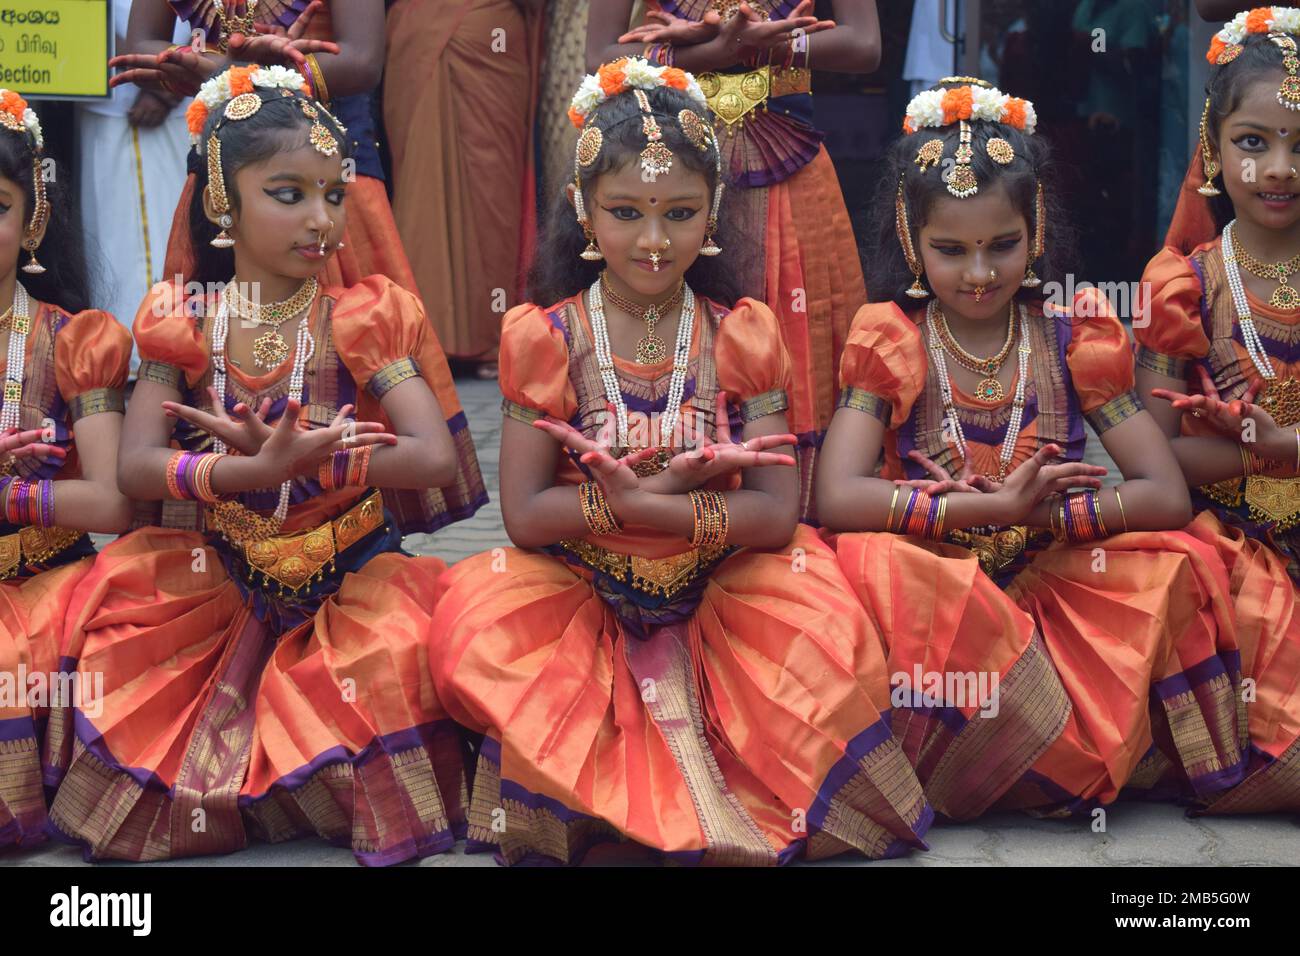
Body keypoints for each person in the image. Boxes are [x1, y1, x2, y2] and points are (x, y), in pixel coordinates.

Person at [427, 60, 932, 865]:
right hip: (576, 590)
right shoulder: (544, 336)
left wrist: (657, 506)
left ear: (715, 213)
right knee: (476, 637)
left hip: (723, 586)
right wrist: (647, 499)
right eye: (625, 212)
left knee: (829, 633)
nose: (655, 241)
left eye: (680, 213)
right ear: (581, 212)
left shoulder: (744, 330)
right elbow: (524, 516)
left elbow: (774, 515)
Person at [44, 67, 485, 863]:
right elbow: (138, 468)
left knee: (391, 665)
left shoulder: (363, 317)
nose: (322, 220)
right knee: (115, 649)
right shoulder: (182, 322)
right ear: (223, 204)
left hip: (352, 573)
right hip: (217, 574)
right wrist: (240, 475)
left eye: (335, 193)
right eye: (289, 194)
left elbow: (431, 457)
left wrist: (317, 451)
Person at [815, 80, 1239, 819]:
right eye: (951, 250)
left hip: (1049, 566)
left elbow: (1163, 493)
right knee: (868, 567)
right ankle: (971, 758)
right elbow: (837, 496)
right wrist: (963, 514)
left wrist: (1040, 519)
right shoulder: (889, 334)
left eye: (1001, 246)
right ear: (911, 239)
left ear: (1036, 227)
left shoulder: (1075, 331)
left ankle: (1024, 756)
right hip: (933, 576)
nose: (979, 275)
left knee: (1180, 561)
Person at [587, 1, 881, 521]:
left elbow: (864, 46)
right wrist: (721, 48)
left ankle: (791, 516)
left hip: (789, 169)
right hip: (671, 168)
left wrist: (745, 44)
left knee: (791, 340)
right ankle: (661, 504)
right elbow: (600, 56)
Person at [1136, 12, 1300, 812]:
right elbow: (1155, 460)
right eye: (1254, 141)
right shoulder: (1184, 284)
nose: (1278, 169)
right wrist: (1260, 454)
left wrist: (1282, 447)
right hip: (1228, 545)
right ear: (1211, 145)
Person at [0, 91, 133, 848]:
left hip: (50, 585)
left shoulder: (74, 341)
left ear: (32, 225)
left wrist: (10, 493)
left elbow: (112, 500)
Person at [113, 1, 421, 304]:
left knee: (345, 332)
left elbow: (362, 60)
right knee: (209, 323)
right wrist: (221, 69)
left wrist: (241, 75)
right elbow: (140, 45)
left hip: (324, 160)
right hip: (228, 155)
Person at [383, 0, 542, 377]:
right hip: (449, 30)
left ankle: (431, 338)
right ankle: (464, 338)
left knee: (491, 183)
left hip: (466, 31)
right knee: (451, 179)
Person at [76, 0, 192, 367]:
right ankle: (120, 359)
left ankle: (160, 356)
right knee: (112, 231)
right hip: (102, 92)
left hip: (178, 96)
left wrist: (165, 86)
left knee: (168, 226)